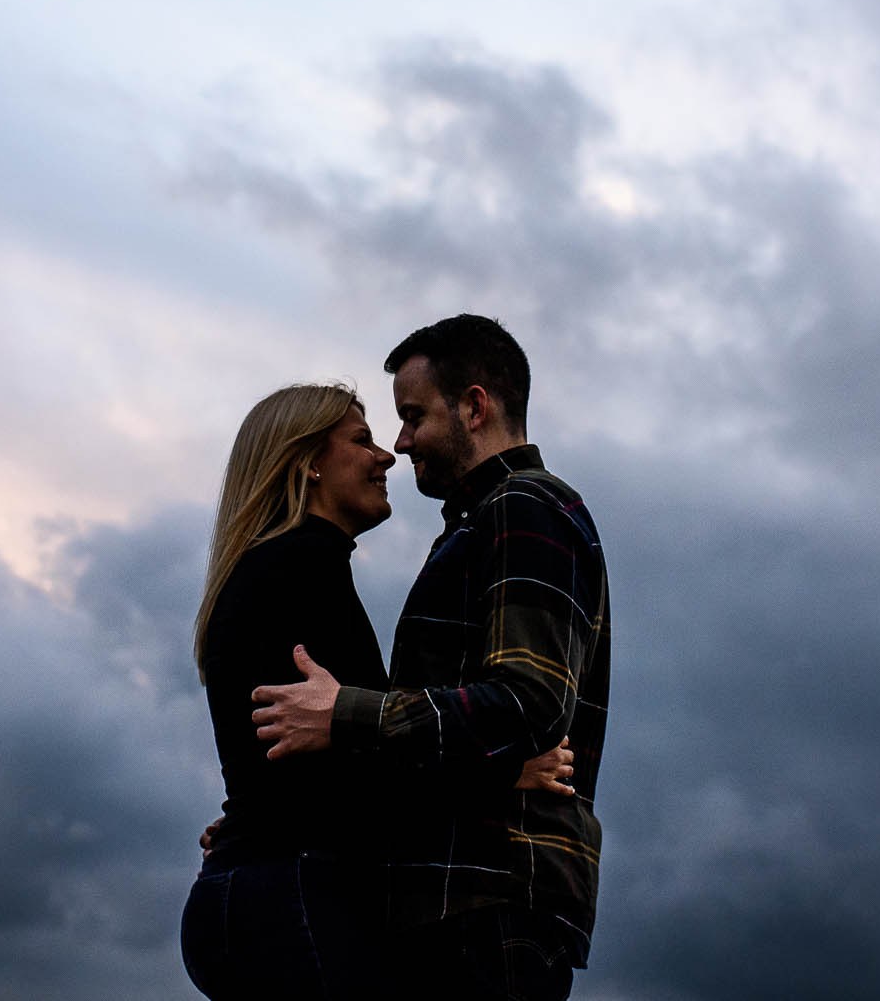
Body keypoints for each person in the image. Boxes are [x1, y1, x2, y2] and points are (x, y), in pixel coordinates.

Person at [250, 316, 610, 1001]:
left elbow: (530, 704)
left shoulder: (527, 507)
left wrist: (345, 713)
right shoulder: (481, 524)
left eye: (413, 415)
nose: (401, 440)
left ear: (475, 406)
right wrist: (263, 820)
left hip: (487, 897)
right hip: (454, 898)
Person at [181, 382, 575, 1000]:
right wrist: (503, 769)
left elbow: (309, 764)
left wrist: (245, 826)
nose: (386, 455)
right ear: (306, 460)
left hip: (257, 890)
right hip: (298, 894)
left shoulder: (273, 568)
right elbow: (359, 765)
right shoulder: (301, 567)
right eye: (362, 441)